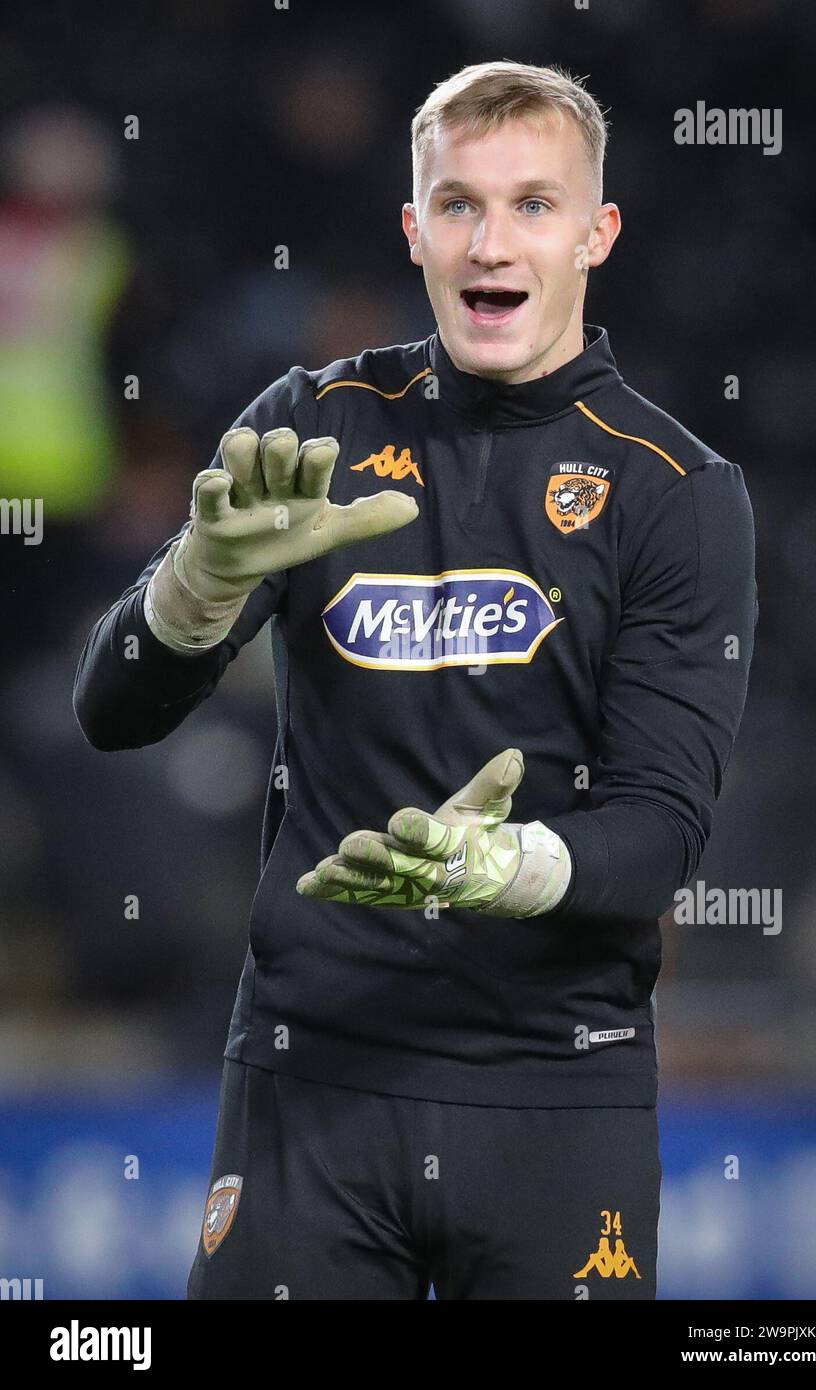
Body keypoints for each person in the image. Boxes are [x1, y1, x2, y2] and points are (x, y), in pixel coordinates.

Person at [73, 59, 757, 1300]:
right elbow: (110, 714)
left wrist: (505, 869)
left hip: (558, 1087)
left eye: (533, 204)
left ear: (595, 233)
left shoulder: (676, 490)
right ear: (414, 228)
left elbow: (659, 835)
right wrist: (196, 585)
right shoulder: (314, 424)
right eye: (458, 203)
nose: (490, 240)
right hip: (309, 1077)